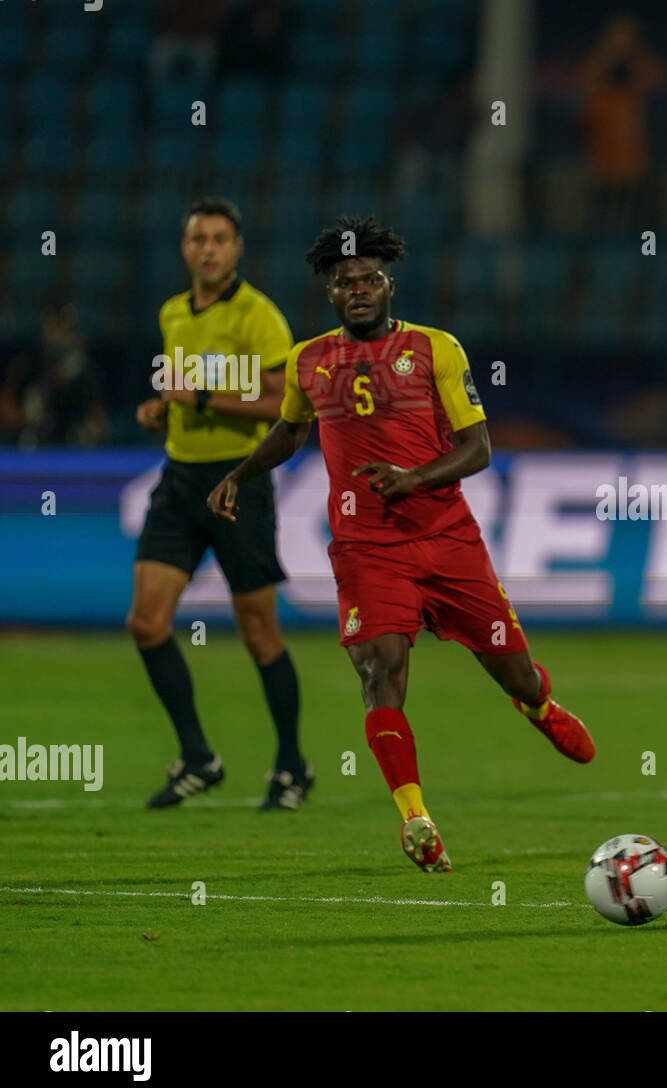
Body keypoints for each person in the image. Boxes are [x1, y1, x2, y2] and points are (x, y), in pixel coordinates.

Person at [206, 216, 595, 872]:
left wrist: (413, 477)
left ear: (388, 283)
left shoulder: (437, 349)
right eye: (343, 282)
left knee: (515, 672)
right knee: (379, 668)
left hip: (448, 541)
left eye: (367, 279)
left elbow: (478, 448)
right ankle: (416, 817)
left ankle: (536, 702)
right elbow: (289, 430)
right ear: (330, 292)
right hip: (366, 548)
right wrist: (239, 475)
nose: (356, 289)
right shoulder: (309, 361)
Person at [128, 197, 309, 811]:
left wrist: (201, 397)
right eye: (198, 238)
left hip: (239, 483)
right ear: (185, 249)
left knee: (260, 634)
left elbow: (284, 406)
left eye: (219, 238)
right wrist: (163, 409)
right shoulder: (173, 314)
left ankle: (291, 765)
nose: (207, 247)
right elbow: (183, 394)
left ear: (237, 249)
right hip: (179, 481)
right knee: (147, 622)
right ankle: (199, 757)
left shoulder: (259, 317)